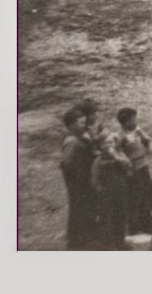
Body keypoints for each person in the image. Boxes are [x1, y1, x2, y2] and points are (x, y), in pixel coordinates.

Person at [61, 107, 98, 249]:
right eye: (81, 123)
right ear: (72, 125)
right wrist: (76, 178)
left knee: (85, 207)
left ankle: (82, 237)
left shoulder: (80, 137)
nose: (85, 125)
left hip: (83, 179)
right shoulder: (72, 141)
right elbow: (66, 163)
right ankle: (78, 241)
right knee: (79, 208)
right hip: (78, 182)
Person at [91, 132, 131, 250]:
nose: (108, 145)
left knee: (121, 215)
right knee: (106, 217)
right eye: (105, 143)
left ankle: (120, 241)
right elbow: (94, 178)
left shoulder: (120, 155)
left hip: (120, 189)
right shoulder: (98, 160)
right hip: (106, 192)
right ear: (99, 146)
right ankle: (107, 244)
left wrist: (116, 157)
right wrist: (98, 187)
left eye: (111, 142)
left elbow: (128, 166)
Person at [116, 107, 152, 235]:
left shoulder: (137, 131)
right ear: (126, 122)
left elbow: (148, 142)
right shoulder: (120, 136)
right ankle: (134, 226)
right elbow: (118, 152)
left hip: (143, 166)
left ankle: (146, 223)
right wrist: (127, 167)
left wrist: (144, 137)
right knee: (134, 198)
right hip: (132, 169)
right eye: (134, 119)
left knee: (146, 195)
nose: (136, 120)